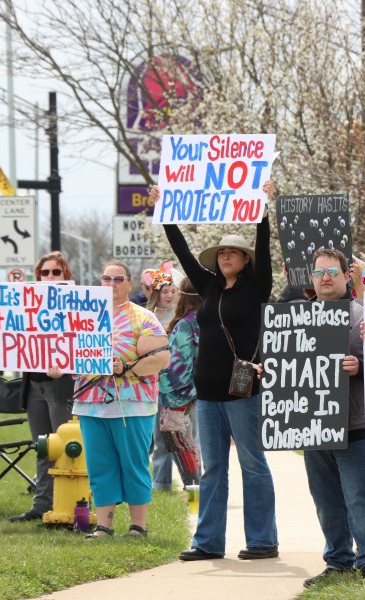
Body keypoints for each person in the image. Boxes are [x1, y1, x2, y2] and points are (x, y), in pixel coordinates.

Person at [151, 182, 278, 562]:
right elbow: (182, 252)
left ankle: (262, 541)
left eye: (233, 253)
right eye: (221, 252)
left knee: (252, 465)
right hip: (205, 395)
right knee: (212, 471)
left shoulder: (257, 287)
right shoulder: (207, 286)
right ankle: (208, 542)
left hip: (242, 393)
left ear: (245, 259)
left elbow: (267, 251)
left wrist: (264, 210)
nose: (225, 257)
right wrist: (166, 212)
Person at [301, 248, 365, 588]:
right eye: (320, 272)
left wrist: (362, 367)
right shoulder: (296, 319)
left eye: (332, 272)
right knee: (326, 501)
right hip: (312, 426)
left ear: (346, 276)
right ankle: (337, 561)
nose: (325, 278)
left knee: (362, 497)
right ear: (311, 278)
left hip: (356, 426)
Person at [69, 261, 170, 538]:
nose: (111, 283)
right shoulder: (81, 316)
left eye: (118, 279)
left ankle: (138, 526)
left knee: (133, 463)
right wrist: (57, 364)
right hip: (90, 402)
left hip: (133, 403)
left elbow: (162, 357)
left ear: (129, 284)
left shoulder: (143, 317)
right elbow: (66, 350)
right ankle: (104, 526)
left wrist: (127, 367)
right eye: (106, 278)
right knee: (100, 465)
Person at [9, 251, 76, 522]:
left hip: (60, 388)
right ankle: (41, 505)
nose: (49, 277)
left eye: (55, 272)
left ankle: (71, 504)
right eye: (45, 273)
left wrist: (67, 365)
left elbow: (84, 345)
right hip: (34, 386)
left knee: (67, 446)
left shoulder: (76, 304)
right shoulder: (26, 305)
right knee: (42, 448)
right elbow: (10, 335)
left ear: (65, 276)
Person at [158, 276, 204, 488]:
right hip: (201, 391)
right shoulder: (209, 320)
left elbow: (178, 367)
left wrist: (158, 379)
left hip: (179, 396)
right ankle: (197, 487)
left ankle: (195, 488)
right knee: (191, 443)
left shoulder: (186, 324)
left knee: (181, 444)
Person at [147, 267, 181, 491]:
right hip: (151, 382)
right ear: (155, 292)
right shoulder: (146, 316)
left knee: (181, 436)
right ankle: (161, 483)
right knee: (158, 437)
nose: (169, 295)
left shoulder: (181, 316)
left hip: (178, 384)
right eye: (164, 290)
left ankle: (193, 479)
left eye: (173, 290)